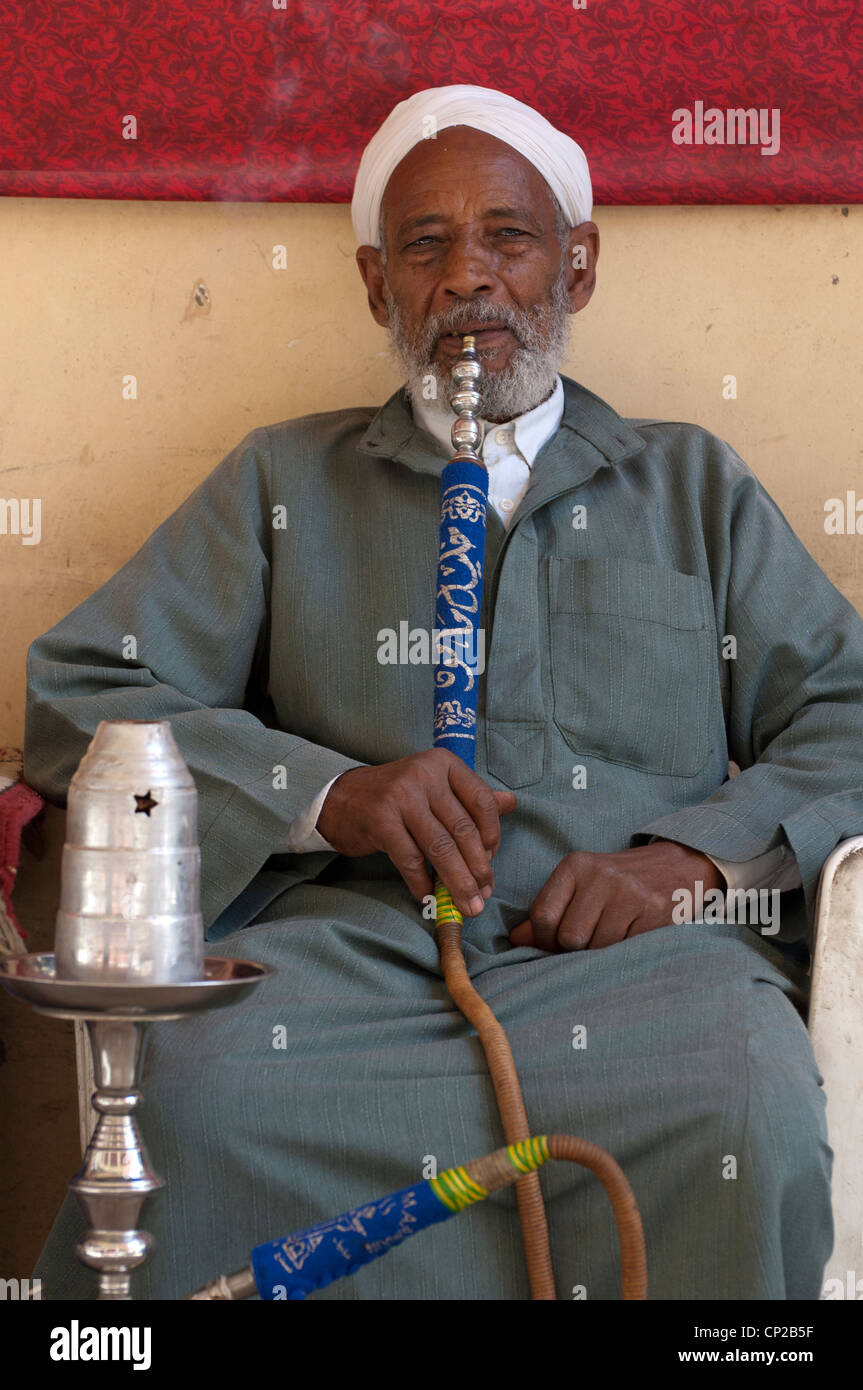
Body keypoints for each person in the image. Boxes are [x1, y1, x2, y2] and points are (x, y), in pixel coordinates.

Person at [24, 85, 863, 1300]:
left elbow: (847, 711)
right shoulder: (285, 478)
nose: (468, 277)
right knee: (197, 1104)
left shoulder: (690, 483)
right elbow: (80, 696)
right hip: (352, 964)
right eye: (426, 245)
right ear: (378, 287)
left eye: (508, 237)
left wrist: (691, 860)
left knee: (746, 1111)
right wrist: (328, 795)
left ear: (575, 266)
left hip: (647, 974)